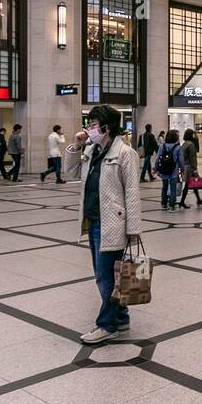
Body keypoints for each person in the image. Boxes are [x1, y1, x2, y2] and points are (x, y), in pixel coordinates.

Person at [73, 104, 142, 344]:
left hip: (113, 223)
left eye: (92, 125)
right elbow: (68, 170)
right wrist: (78, 144)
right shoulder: (92, 151)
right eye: (89, 124)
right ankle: (121, 316)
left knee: (105, 277)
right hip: (93, 220)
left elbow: (132, 192)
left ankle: (107, 324)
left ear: (106, 127)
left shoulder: (125, 153)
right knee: (104, 275)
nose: (89, 129)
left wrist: (133, 229)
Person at [177, 128, 202, 208]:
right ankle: (182, 201)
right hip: (189, 167)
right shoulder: (191, 144)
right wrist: (194, 169)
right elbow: (193, 158)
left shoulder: (184, 143)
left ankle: (198, 199)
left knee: (193, 183)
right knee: (188, 184)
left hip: (184, 166)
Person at [157, 128, 182, 210]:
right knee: (173, 188)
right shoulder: (178, 147)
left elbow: (158, 158)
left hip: (163, 170)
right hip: (173, 170)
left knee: (164, 187)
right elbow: (181, 160)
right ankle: (172, 204)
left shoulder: (162, 146)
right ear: (175, 137)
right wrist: (182, 168)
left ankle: (164, 203)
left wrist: (156, 168)